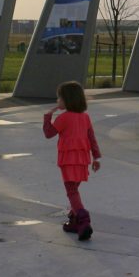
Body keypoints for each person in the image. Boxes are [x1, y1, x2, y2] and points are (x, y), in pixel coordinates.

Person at [43, 81, 101, 241]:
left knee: (71, 192)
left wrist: (47, 116)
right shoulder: (85, 117)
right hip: (83, 160)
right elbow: (92, 139)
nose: (57, 101)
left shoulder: (63, 118)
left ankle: (83, 220)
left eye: (59, 99)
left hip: (68, 160)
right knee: (74, 190)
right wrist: (96, 157)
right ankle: (74, 220)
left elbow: (48, 134)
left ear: (67, 100)